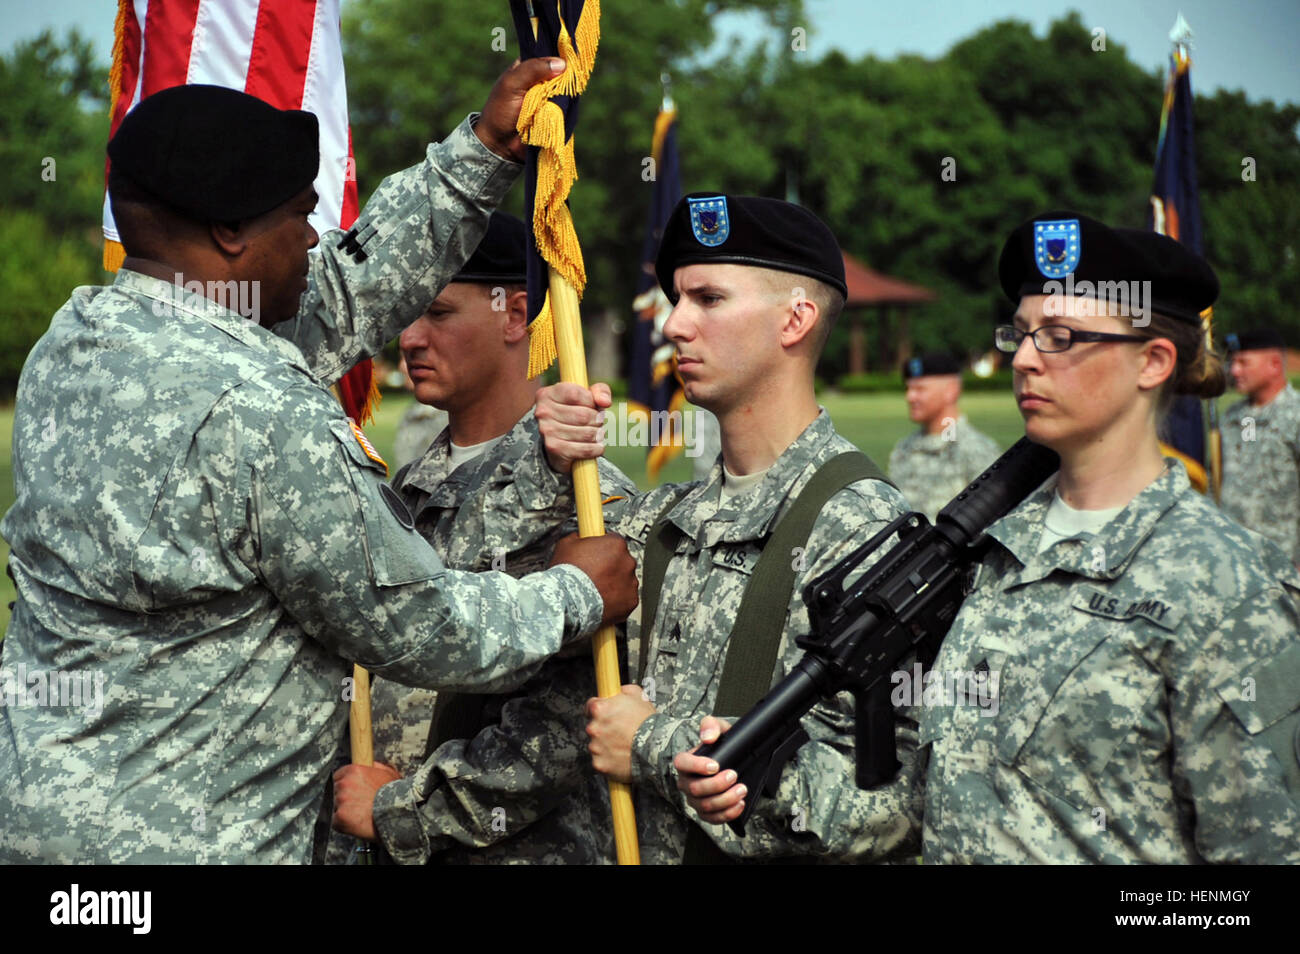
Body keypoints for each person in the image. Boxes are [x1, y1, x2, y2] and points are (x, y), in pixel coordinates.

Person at [0, 68, 638, 865]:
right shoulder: (261, 410)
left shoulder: (74, 347)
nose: (312, 241)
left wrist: (481, 153)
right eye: (301, 218)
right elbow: (415, 627)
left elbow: (343, 290)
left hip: (43, 830)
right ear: (231, 235)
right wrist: (575, 594)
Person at [683, 211, 1300, 863]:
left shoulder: (1233, 590)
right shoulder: (986, 559)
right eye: (1022, 332)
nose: (1025, 359)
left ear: (1152, 362)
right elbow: (925, 805)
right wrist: (776, 778)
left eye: (1060, 336)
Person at [489, 193, 925, 864]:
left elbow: (889, 809)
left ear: (796, 319)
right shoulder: (663, 522)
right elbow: (500, 615)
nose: (676, 325)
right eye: (677, 300)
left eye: (709, 300)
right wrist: (547, 468)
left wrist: (657, 745)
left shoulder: (864, 530)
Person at [328, 212, 636, 863]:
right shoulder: (408, 485)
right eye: (404, 313)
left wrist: (401, 809)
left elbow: (563, 731)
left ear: (515, 314)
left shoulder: (585, 496)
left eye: (437, 312)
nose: (408, 337)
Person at [888, 351, 1001, 521]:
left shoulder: (977, 451)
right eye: (908, 388)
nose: (910, 397)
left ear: (951, 391)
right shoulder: (903, 448)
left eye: (920, 389)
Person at [1220, 327, 1300, 566]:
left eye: (1244, 363)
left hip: (1282, 563)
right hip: (1234, 557)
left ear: (1274, 365)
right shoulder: (1238, 416)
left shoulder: (1295, 415)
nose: (1234, 371)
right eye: (1233, 363)